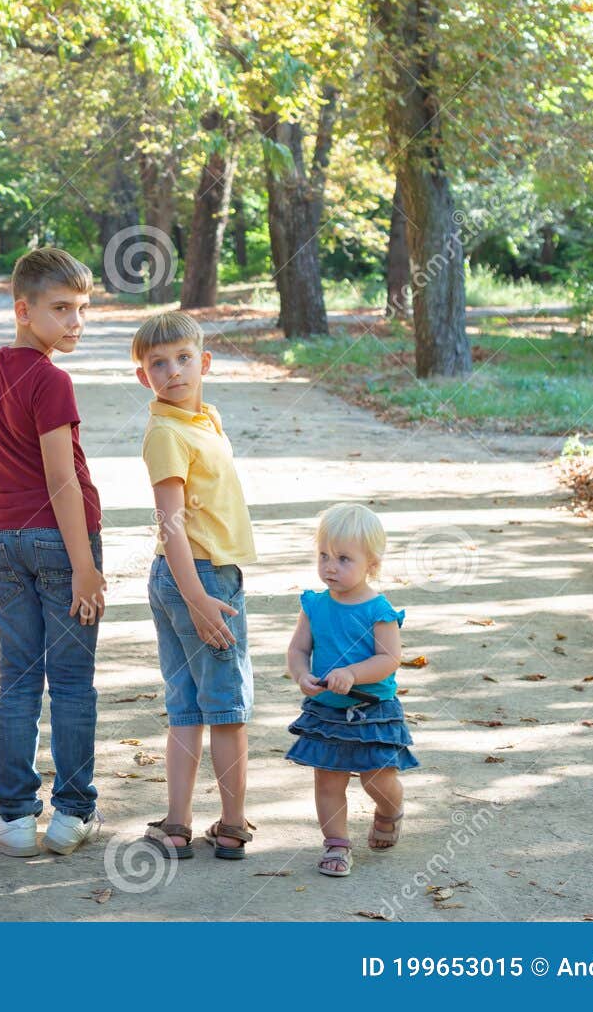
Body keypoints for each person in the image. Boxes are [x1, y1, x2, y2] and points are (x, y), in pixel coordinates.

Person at [0, 247, 106, 857]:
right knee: (72, 681)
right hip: (61, 542)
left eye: (82, 309)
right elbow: (62, 479)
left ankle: (16, 818)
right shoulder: (52, 380)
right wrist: (83, 565)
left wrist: (0, 525)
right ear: (23, 310)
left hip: (6, 540)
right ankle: (71, 815)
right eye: (61, 309)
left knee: (18, 680)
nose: (75, 321)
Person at [132, 311, 258, 860]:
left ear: (203, 362)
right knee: (220, 706)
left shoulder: (206, 418)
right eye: (158, 364)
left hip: (199, 575)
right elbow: (172, 523)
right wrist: (198, 597)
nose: (173, 371)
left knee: (193, 704)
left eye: (183, 358)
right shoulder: (165, 433)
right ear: (145, 377)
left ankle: (180, 824)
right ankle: (227, 825)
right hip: (196, 577)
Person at [284, 502, 418, 877]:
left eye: (344, 559)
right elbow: (298, 649)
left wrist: (354, 673)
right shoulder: (314, 605)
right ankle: (337, 844)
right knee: (327, 777)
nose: (330, 566)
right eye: (324, 555)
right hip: (326, 708)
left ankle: (390, 810)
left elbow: (390, 658)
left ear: (371, 564)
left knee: (378, 777)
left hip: (371, 708)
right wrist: (300, 675)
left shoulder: (379, 609)